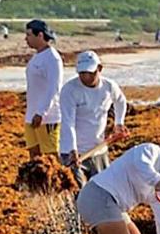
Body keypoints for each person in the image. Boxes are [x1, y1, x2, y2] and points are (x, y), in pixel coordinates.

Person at [59, 51, 128, 186]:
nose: (85, 77)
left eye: (90, 73)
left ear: (99, 69)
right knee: (77, 192)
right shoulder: (69, 90)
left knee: (104, 188)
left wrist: (119, 123)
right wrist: (73, 150)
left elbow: (120, 101)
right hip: (73, 153)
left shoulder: (109, 87)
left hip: (98, 149)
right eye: (82, 73)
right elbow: (68, 122)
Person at [24, 19, 63, 158]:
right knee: (34, 154)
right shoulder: (37, 57)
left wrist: (41, 112)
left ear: (40, 35)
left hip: (47, 117)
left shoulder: (52, 58)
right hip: (31, 114)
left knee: (50, 156)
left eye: (29, 35)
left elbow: (54, 88)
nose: (26, 39)